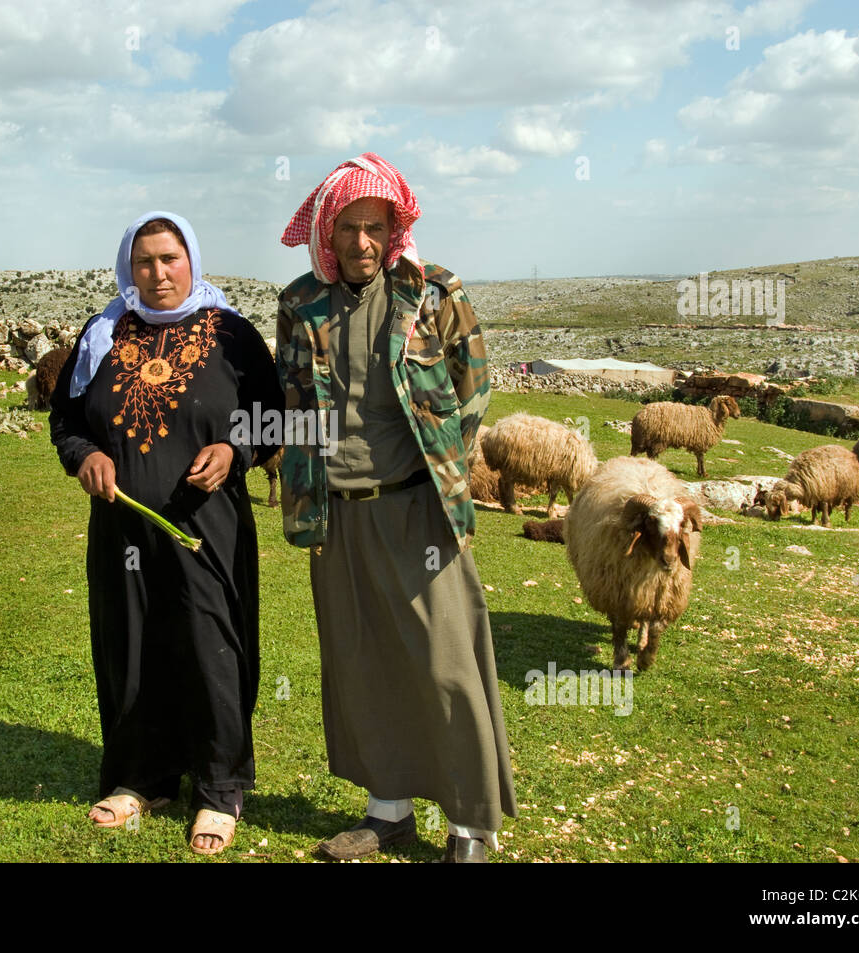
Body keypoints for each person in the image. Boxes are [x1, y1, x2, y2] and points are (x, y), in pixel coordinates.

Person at [276, 153, 519, 863]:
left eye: (373, 226)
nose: (360, 243)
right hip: (337, 514)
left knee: (446, 665)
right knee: (363, 660)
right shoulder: (301, 303)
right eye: (346, 227)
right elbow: (294, 403)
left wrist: (436, 460)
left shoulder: (434, 293)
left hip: (417, 512)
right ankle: (387, 812)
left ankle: (472, 825)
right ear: (326, 231)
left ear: (395, 226)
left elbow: (473, 390)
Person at [49, 211, 282, 855]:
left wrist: (236, 451)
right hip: (122, 530)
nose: (157, 274)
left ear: (192, 260)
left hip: (208, 529)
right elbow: (67, 421)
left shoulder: (232, 334)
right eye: (144, 261)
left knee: (211, 646)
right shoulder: (101, 334)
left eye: (169, 259)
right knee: (131, 645)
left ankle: (218, 789)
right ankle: (138, 779)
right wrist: (84, 456)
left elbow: (272, 418)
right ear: (130, 267)